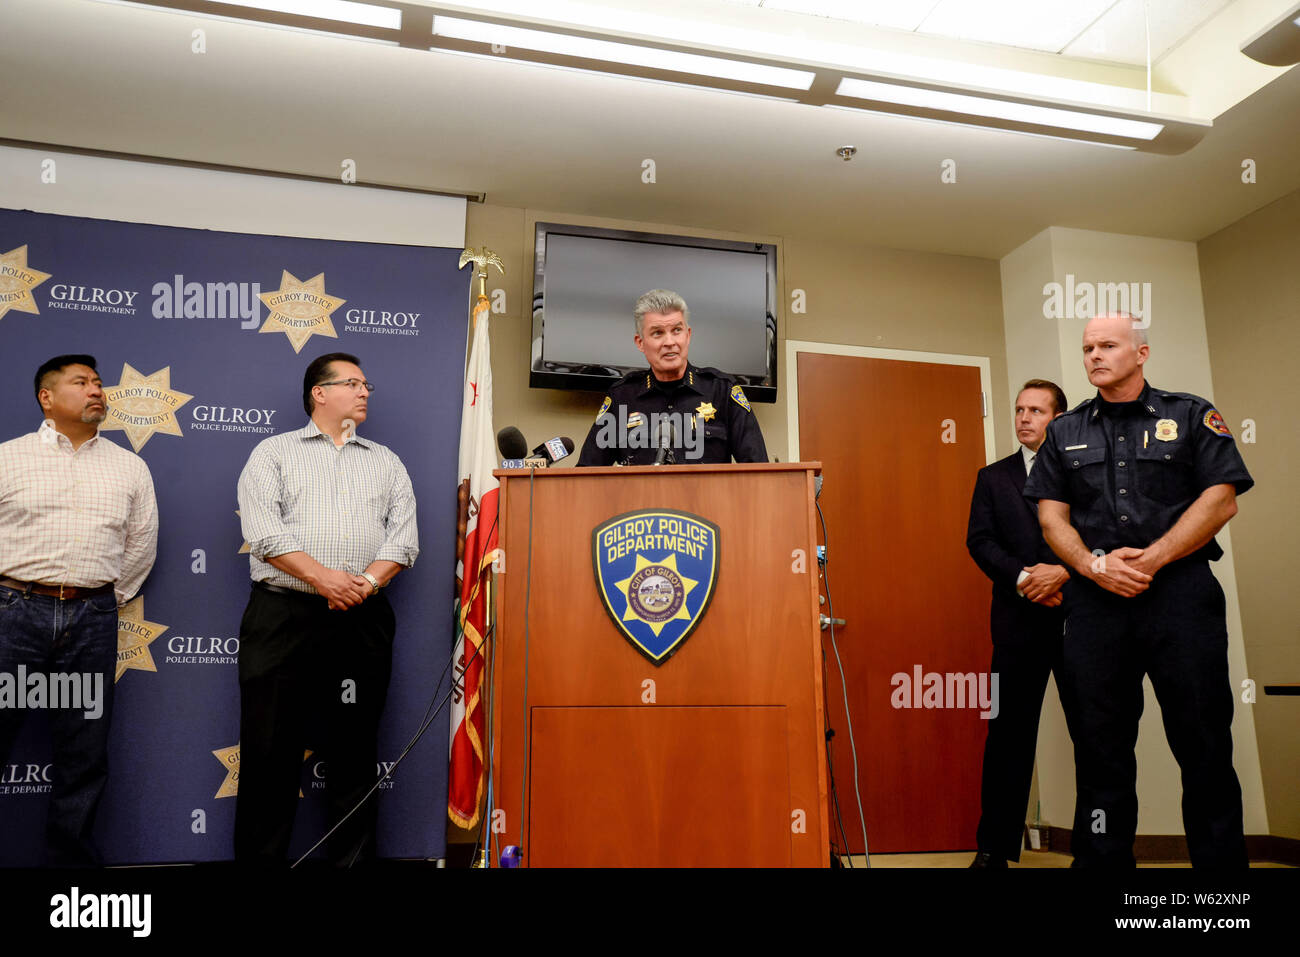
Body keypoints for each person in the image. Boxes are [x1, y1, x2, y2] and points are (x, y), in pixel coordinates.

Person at [1024, 314, 1252, 868]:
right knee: (1101, 748)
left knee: (1204, 745)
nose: (1094, 356)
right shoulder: (1064, 431)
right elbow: (1052, 518)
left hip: (1181, 598)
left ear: (1141, 352)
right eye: (1086, 348)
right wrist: (1092, 565)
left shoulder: (1192, 413)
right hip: (1097, 606)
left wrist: (1151, 558)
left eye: (1107, 345)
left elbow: (1222, 499)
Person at [235, 352, 417, 867]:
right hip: (284, 619)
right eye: (353, 383)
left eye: (366, 384)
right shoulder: (273, 453)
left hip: (359, 621)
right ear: (320, 392)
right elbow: (264, 534)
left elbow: (403, 542)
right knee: (270, 754)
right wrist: (323, 579)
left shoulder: (386, 461)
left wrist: (360, 585)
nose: (365, 392)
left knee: (355, 755)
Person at [0, 354, 158, 866]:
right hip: (13, 616)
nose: (96, 390)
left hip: (91, 621)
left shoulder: (129, 465)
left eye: (98, 382)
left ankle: (70, 876)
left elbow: (140, 546)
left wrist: (98, 602)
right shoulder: (8, 458)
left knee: (83, 754)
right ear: (47, 397)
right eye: (80, 383)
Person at [965, 379, 1072, 869]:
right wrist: (1027, 577)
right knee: (1007, 737)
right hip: (1017, 624)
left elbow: (1102, 535)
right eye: (1019, 409)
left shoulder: (1082, 473)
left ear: (1059, 418)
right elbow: (980, 541)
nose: (1025, 417)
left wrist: (1063, 576)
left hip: (1080, 622)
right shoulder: (993, 477)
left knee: (1096, 736)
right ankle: (994, 849)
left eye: (1037, 410)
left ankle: (1098, 851)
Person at [576, 289, 768, 466]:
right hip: (642, 503)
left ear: (688, 335)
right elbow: (586, 473)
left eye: (677, 330)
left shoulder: (722, 391)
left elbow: (758, 467)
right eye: (658, 333)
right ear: (640, 342)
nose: (670, 342)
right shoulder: (622, 397)